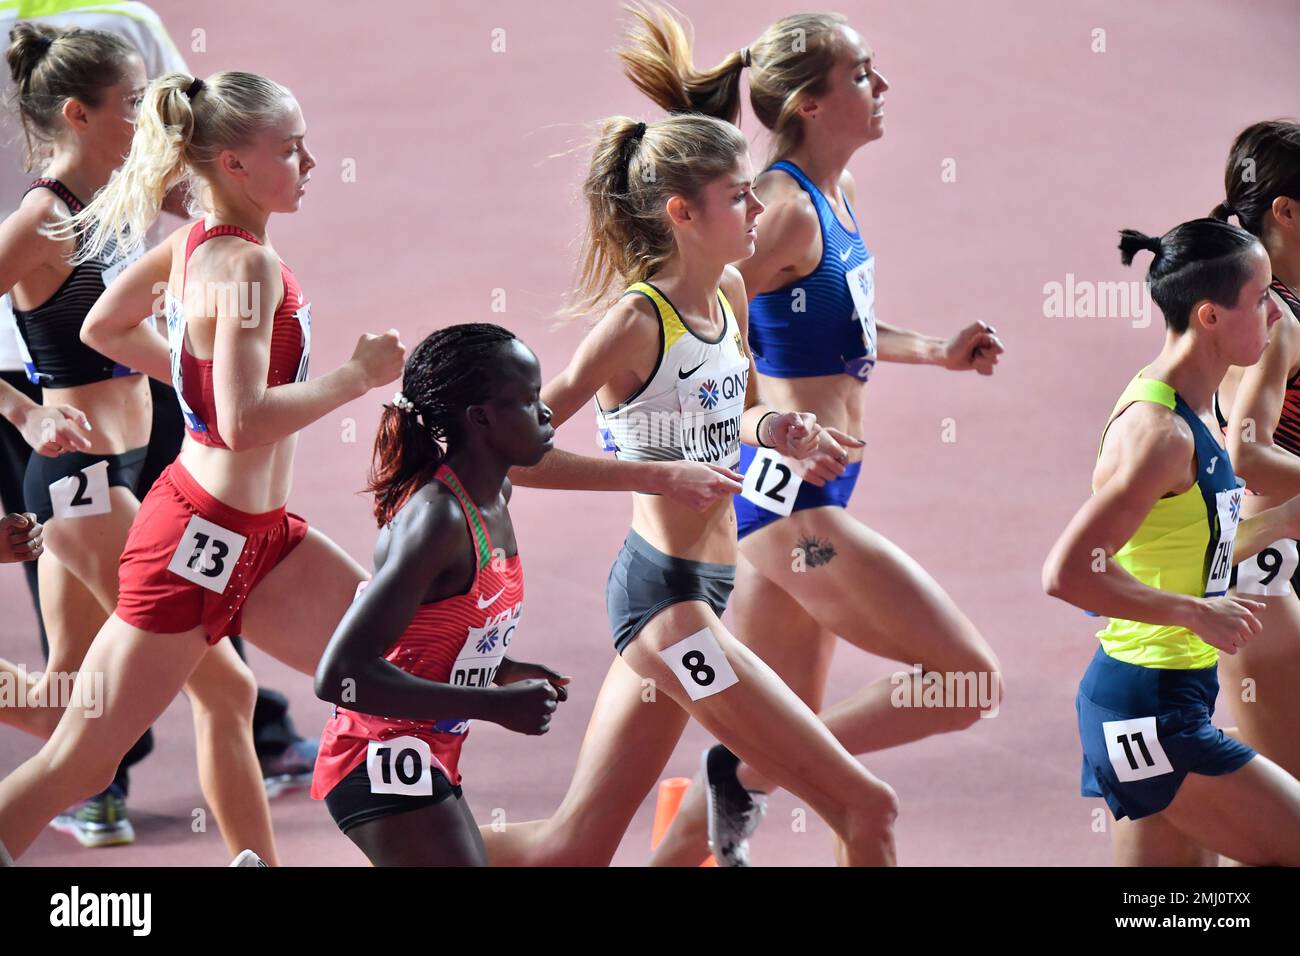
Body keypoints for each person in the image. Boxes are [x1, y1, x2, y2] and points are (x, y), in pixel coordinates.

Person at [611, 5, 1005, 866]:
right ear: (813, 106)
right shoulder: (782, 209)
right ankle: (747, 775)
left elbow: (839, 325)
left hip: (810, 495)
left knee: (777, 734)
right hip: (785, 505)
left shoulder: (835, 195)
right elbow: (703, 309)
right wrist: (762, 422)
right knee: (969, 680)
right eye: (862, 73)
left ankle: (719, 803)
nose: (883, 84)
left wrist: (936, 351)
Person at [0, 68, 404, 865]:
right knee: (79, 752)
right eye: (291, 150)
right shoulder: (241, 265)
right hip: (185, 535)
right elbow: (245, 422)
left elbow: (107, 325)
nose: (312, 164)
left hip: (251, 530)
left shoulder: (196, 242)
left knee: (388, 665)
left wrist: (193, 386)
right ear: (232, 165)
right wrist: (357, 378)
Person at [477, 110, 899, 867]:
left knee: (570, 850)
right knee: (868, 806)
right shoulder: (635, 324)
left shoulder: (732, 290)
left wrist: (779, 430)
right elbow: (513, 458)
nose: (761, 210)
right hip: (664, 603)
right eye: (740, 196)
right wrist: (656, 474)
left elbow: (732, 409)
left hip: (703, 593)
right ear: (682, 212)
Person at [1043, 217, 1300, 865]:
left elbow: (1184, 550)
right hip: (1148, 710)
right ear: (1210, 315)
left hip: (1163, 700)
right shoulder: (1161, 434)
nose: (1277, 312)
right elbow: (1070, 573)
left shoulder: (1194, 405)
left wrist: (1281, 521)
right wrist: (1194, 612)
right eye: (1263, 296)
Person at [313, 324, 572, 866]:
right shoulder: (440, 520)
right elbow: (341, 674)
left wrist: (502, 669)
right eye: (527, 401)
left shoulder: (494, 496)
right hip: (378, 752)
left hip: (433, 748)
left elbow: (435, 634)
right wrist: (492, 704)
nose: (546, 413)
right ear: (480, 418)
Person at [1212, 120, 1300, 780]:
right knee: (1285, 818)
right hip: (1265, 576)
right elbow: (1246, 450)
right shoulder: (1273, 319)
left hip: (1278, 560)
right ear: (1287, 211)